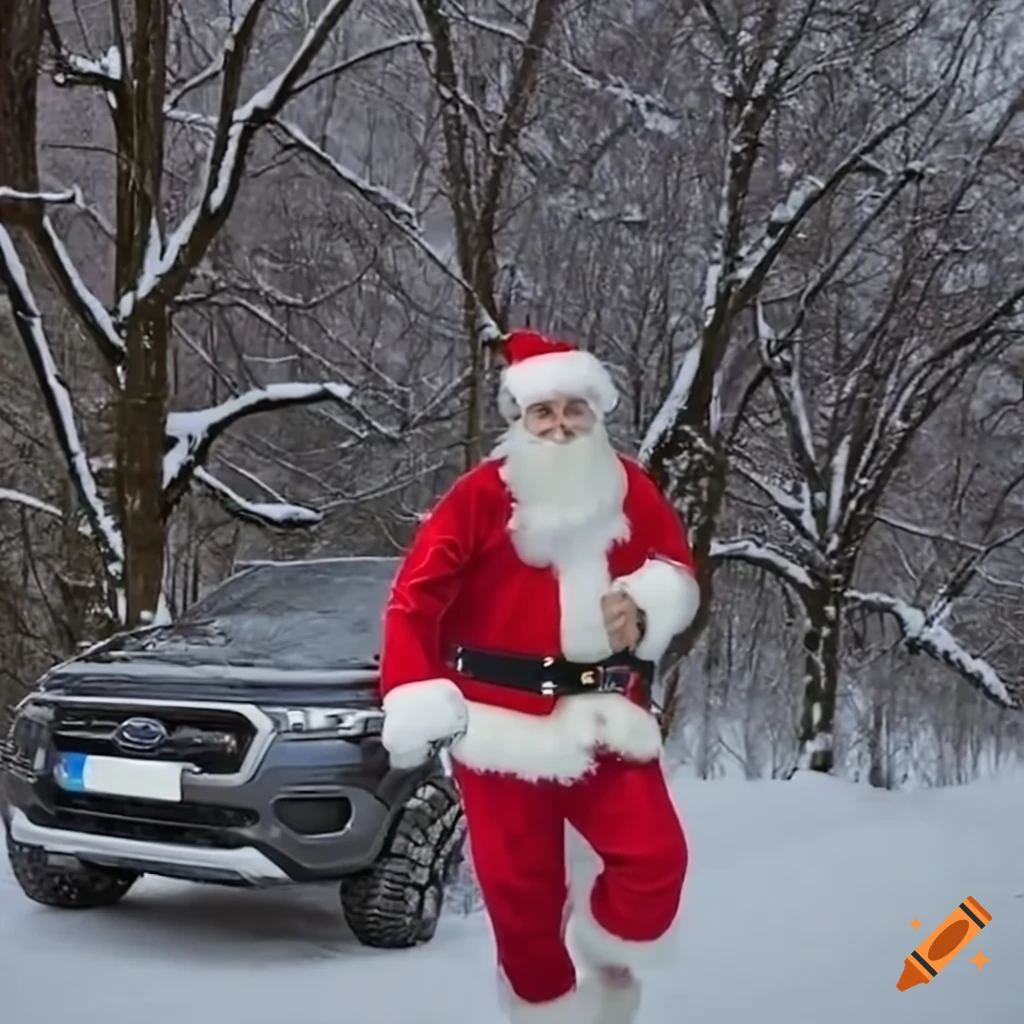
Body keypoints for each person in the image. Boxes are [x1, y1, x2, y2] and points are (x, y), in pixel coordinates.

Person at [378, 328, 700, 1024]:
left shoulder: (630, 489)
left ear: (595, 412)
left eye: (572, 410)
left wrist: (646, 609)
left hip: (604, 715)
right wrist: (413, 686)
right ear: (520, 420)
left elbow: (676, 570)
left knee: (656, 861)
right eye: (541, 413)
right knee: (520, 898)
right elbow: (415, 597)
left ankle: (602, 954)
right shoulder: (479, 496)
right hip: (502, 728)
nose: (559, 425)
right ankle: (547, 1011)